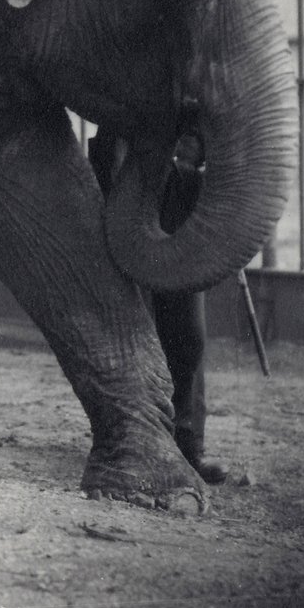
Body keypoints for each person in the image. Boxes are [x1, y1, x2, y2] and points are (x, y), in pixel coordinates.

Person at [88, 127, 230, 485]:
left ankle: (188, 446)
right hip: (132, 198)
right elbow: (108, 148)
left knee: (189, 339)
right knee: (134, 337)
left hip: (183, 213)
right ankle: (135, 438)